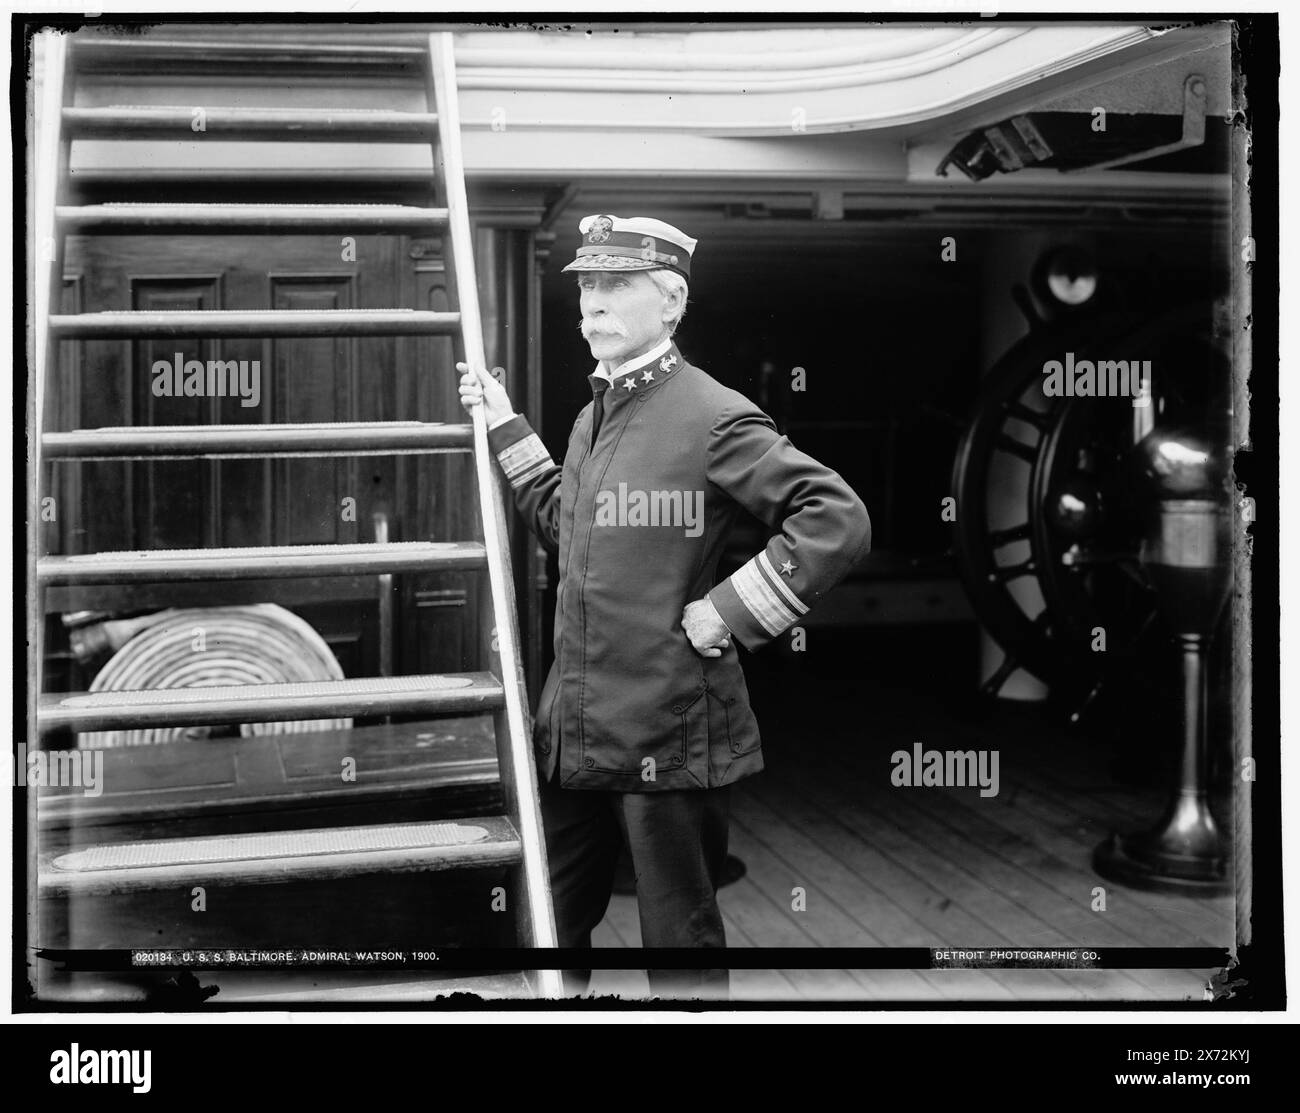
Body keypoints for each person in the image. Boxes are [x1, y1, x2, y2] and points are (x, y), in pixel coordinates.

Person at [459, 214, 871, 999]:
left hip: (666, 728)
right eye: (585, 286)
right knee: (549, 924)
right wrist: (505, 422)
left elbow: (836, 518)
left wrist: (731, 609)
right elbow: (561, 520)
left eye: (615, 286)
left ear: (672, 300)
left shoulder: (713, 413)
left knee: (678, 946)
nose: (592, 305)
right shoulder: (592, 414)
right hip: (573, 727)